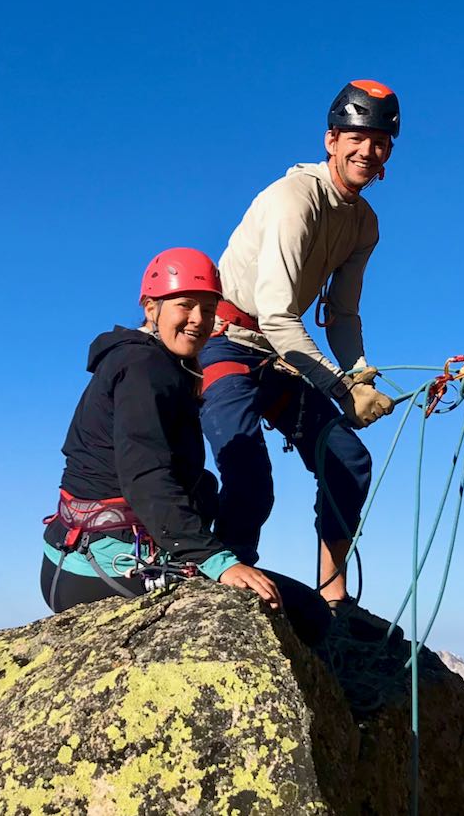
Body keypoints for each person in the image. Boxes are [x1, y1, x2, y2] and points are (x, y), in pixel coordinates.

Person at [40, 247, 329, 643]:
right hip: (102, 568)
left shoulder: (156, 365)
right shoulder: (145, 370)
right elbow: (146, 477)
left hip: (81, 556)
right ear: (151, 308)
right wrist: (218, 561)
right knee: (307, 615)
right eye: (185, 305)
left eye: (209, 310)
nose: (198, 320)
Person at [198, 80, 399, 630]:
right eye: (357, 138)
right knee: (247, 471)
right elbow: (277, 316)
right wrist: (343, 387)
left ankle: (333, 599)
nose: (368, 151)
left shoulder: (364, 223)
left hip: (282, 355)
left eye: (380, 141)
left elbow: (342, 315)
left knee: (348, 461)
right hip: (228, 341)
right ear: (332, 140)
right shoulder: (295, 201)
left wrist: (360, 373)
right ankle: (229, 593)